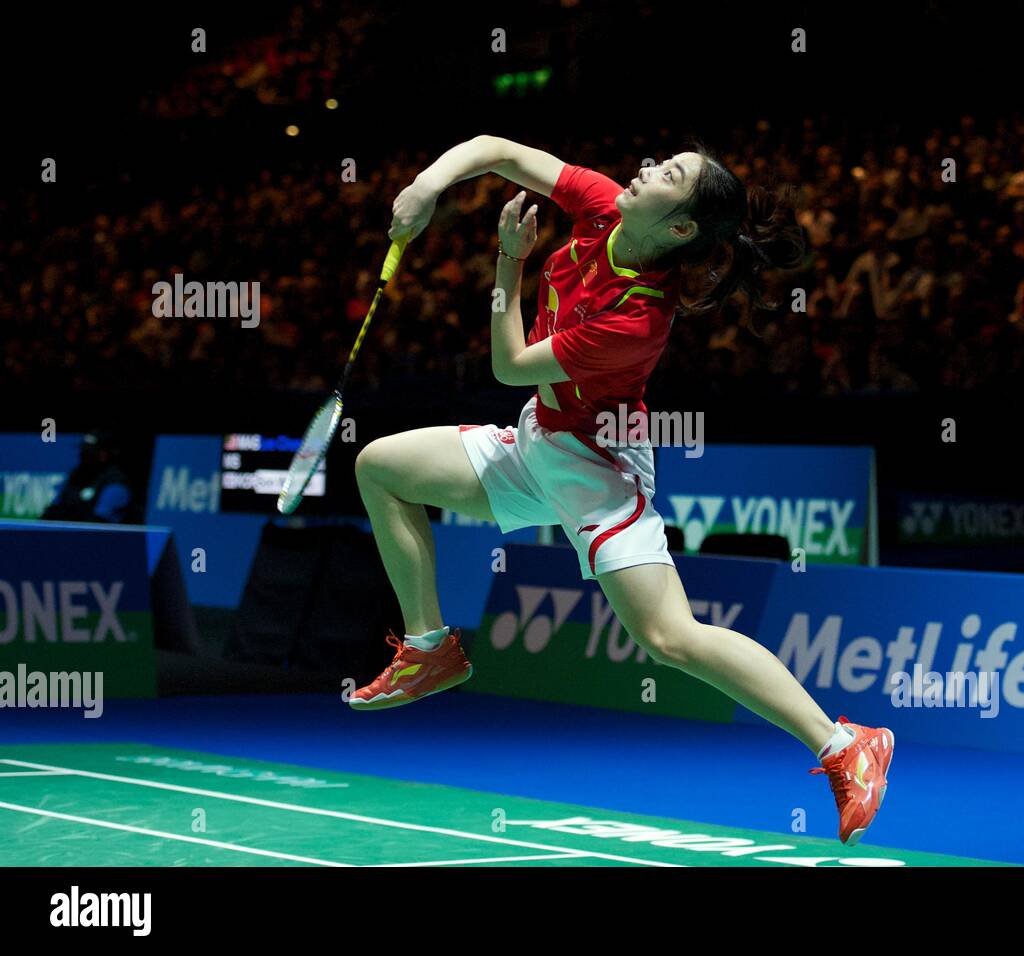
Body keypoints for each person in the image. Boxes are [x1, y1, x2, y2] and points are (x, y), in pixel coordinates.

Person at [346, 135, 894, 844]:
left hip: (598, 468)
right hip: (539, 439)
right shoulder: (605, 205)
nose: (643, 171)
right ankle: (430, 648)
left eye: (667, 175)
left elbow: (510, 364)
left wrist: (509, 262)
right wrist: (428, 185)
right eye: (656, 163)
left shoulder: (639, 317)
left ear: (681, 228)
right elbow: (494, 148)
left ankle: (843, 742)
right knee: (380, 467)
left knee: (670, 637)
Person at [40, 430, 137, 524]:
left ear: (104, 454)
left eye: (89, 453)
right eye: (83, 451)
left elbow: (99, 522)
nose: (82, 456)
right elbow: (53, 509)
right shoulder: (76, 476)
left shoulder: (115, 483)